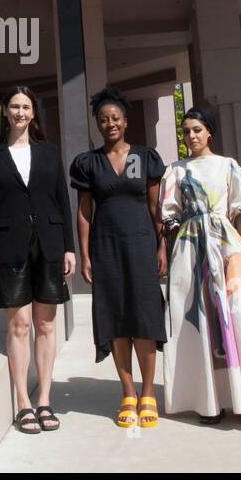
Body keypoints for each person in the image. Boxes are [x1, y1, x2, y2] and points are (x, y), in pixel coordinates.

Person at [160, 106, 241, 425]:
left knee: (239, 318)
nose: (191, 136)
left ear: (209, 132)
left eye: (197, 130)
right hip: (190, 251)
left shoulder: (227, 166)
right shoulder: (175, 171)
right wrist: (178, 247)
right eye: (186, 131)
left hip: (229, 247)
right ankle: (210, 402)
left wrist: (240, 253)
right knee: (200, 324)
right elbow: (168, 214)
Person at [0, 85, 76, 434]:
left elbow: (63, 200)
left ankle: (45, 399)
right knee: (19, 326)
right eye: (14, 106)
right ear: (4, 111)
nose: (20, 112)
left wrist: (69, 247)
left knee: (46, 325)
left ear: (33, 113)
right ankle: (23, 402)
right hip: (7, 249)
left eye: (26, 107)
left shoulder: (49, 153)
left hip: (48, 244)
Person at [70, 85, 168, 430]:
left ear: (126, 121)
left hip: (141, 245)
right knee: (115, 318)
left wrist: (162, 245)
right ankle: (127, 394)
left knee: (144, 316)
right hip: (106, 247)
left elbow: (157, 207)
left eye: (115, 118)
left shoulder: (144, 157)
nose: (109, 124)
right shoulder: (88, 163)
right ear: (98, 124)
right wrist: (85, 255)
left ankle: (148, 393)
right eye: (103, 119)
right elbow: (84, 212)